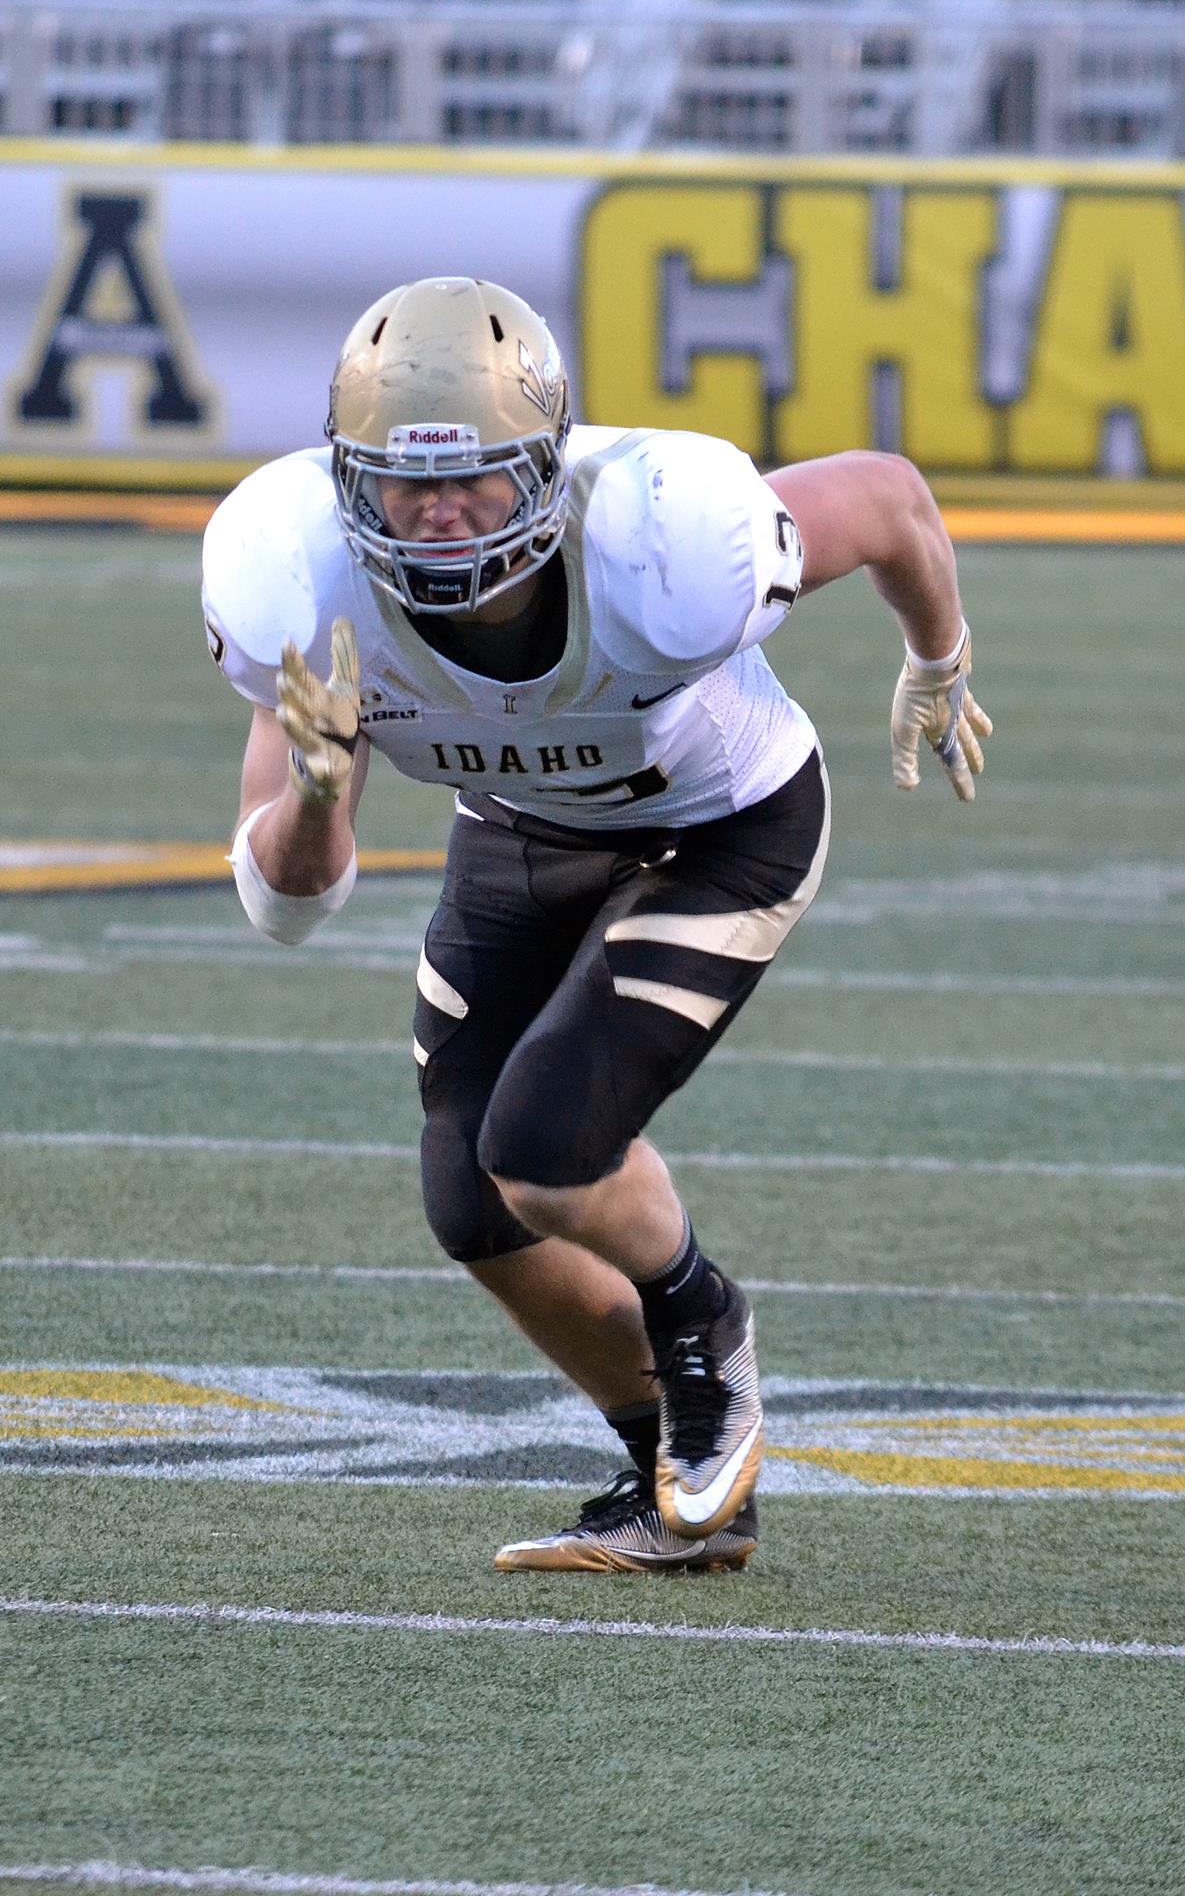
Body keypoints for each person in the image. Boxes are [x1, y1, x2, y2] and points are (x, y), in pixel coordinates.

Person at [201, 275, 991, 1574]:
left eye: (478, 481)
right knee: (471, 1199)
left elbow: (892, 498)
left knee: (545, 1149)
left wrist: (937, 658)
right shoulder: (300, 585)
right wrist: (315, 787)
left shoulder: (669, 545)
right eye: (405, 483)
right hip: (520, 828)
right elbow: (289, 905)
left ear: (550, 471)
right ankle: (680, 1495)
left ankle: (704, 1330)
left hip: (721, 824)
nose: (441, 515)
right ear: (349, 485)